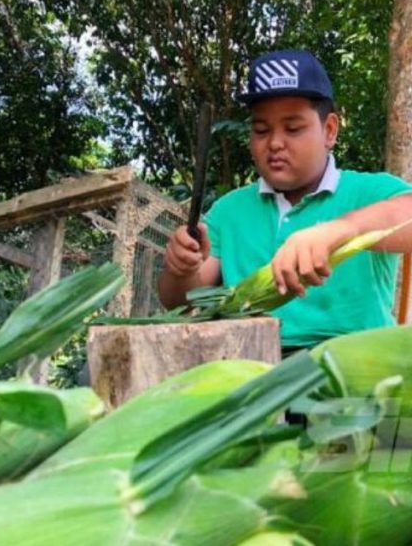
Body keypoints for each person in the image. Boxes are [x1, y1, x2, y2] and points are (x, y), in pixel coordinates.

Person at [158, 49, 412, 352]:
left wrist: (340, 230)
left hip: (352, 374)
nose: (275, 143)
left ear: (329, 130)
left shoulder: (369, 192)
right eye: (261, 130)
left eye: (293, 128)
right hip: (251, 370)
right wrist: (181, 270)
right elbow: (180, 303)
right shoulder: (229, 211)